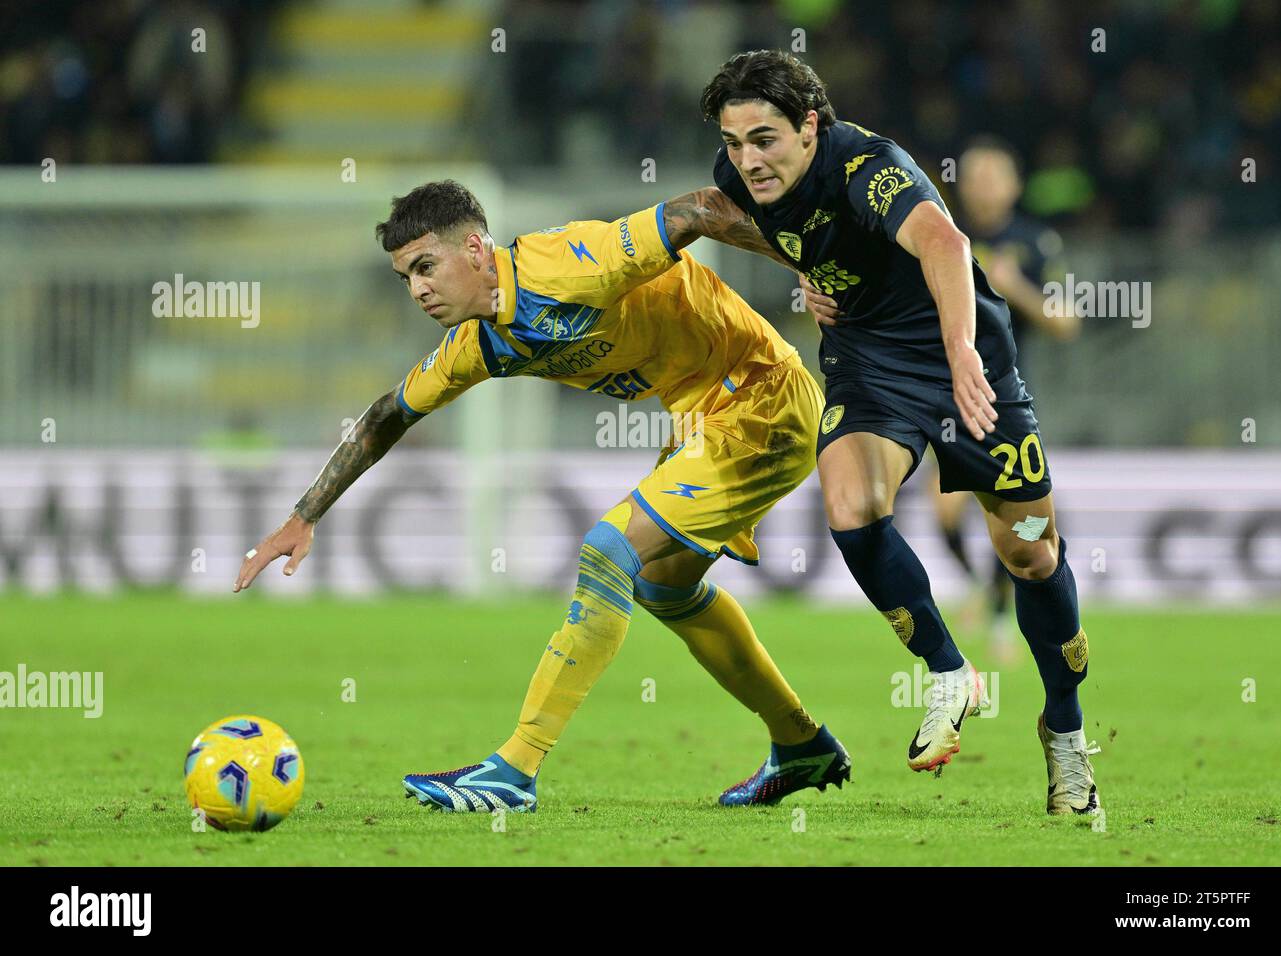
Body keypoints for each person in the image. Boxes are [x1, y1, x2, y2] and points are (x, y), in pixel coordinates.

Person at [233, 180, 851, 812]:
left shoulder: (571, 262)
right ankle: (801, 743)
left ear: (475, 248)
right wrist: (303, 516)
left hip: (763, 396)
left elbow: (703, 208)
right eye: (405, 277)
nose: (417, 288)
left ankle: (513, 771)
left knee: (609, 551)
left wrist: (816, 267)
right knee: (665, 585)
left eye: (426, 266)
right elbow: (388, 414)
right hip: (704, 418)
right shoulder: (479, 344)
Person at [696, 51, 1098, 814]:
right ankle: (951, 672)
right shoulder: (739, 176)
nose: (747, 159)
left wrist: (960, 352)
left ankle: (1067, 731)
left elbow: (946, 244)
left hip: (969, 364)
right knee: (850, 505)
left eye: (765, 140)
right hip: (868, 363)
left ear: (811, 126)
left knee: (1031, 553)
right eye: (734, 140)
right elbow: (761, 224)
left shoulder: (869, 164)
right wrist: (809, 268)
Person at [932, 136, 1078, 661]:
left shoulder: (1037, 243)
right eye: (975, 177)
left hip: (1010, 396)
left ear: (1015, 185)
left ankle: (998, 614)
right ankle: (982, 589)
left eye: (995, 176)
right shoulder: (944, 235)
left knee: (1013, 515)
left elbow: (1065, 320)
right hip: (948, 391)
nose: (985, 187)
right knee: (945, 514)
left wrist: (1014, 288)